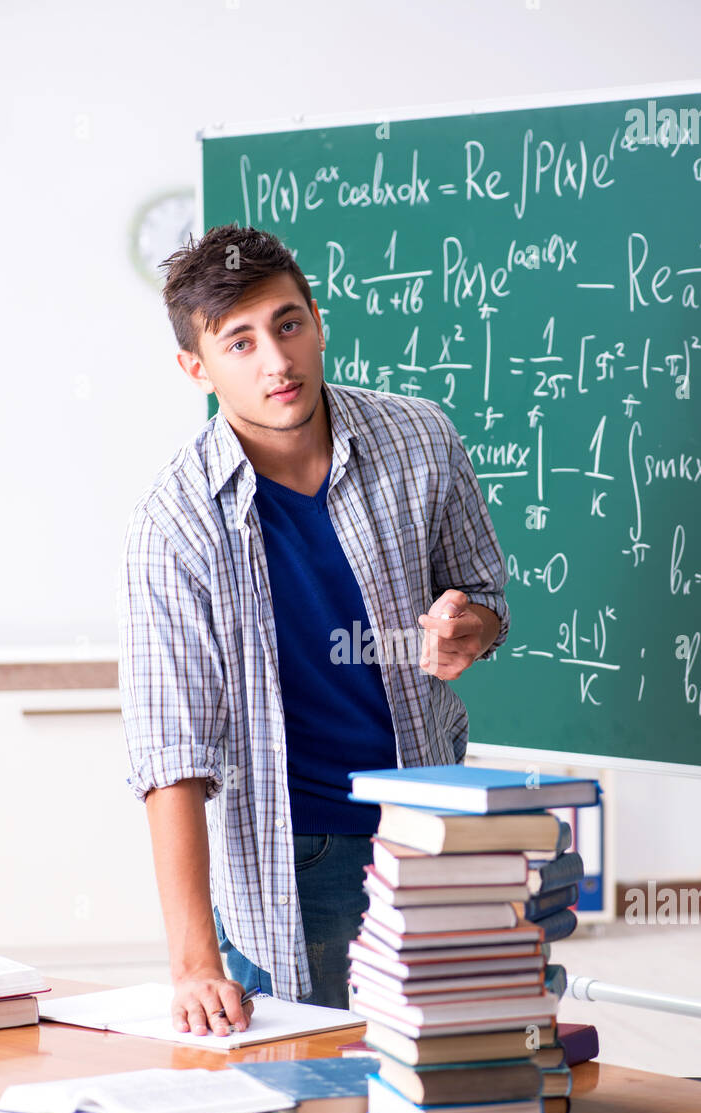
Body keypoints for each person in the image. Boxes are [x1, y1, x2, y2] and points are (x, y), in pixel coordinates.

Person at [117, 223, 510, 1039]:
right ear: (197, 368)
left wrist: (469, 625)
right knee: (314, 1107)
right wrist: (195, 965)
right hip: (295, 855)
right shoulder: (174, 524)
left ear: (318, 321)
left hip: (432, 828)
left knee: (463, 1077)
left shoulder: (420, 438)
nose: (276, 361)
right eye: (240, 342)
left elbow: (484, 601)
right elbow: (170, 754)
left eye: (288, 324)